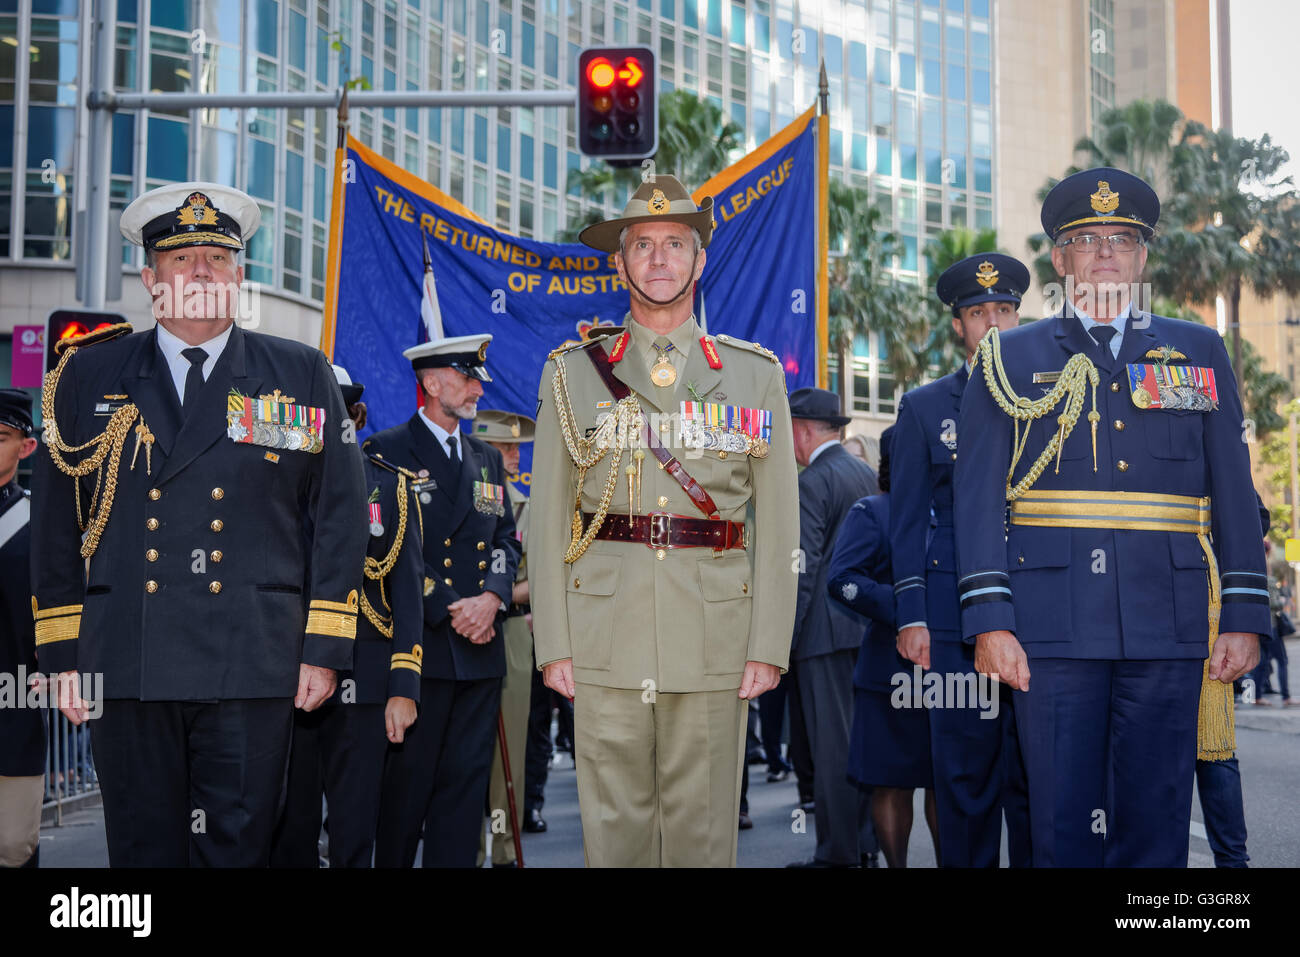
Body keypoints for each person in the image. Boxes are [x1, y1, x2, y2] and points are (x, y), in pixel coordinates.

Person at [30, 182, 368, 866]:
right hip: (129, 658)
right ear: (151, 278)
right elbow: (55, 526)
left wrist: (323, 647)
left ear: (240, 275)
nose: (202, 270)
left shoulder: (297, 373)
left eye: (218, 255)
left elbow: (338, 516)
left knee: (237, 848)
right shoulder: (89, 376)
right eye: (182, 258)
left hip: (252, 660)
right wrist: (62, 657)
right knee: (141, 849)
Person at [954, 167, 1267, 867]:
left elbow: (1233, 489)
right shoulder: (1008, 357)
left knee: (1157, 823)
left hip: (1169, 619)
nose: (1103, 252)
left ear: (1142, 257)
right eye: (1085, 240)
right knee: (1061, 825)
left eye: (1120, 240)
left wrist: (1244, 614)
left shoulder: (1199, 350)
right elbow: (974, 500)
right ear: (1059, 259)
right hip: (1050, 628)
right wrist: (989, 621)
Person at [530, 175, 800, 867]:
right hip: (603, 636)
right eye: (642, 245)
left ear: (699, 260)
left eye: (675, 244)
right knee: (613, 838)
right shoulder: (570, 373)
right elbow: (548, 513)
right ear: (618, 262)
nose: (658, 259)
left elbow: (776, 526)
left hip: (714, 637)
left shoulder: (753, 375)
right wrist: (553, 642)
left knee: (703, 839)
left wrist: (768, 643)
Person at [892, 253, 1031, 868]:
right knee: (965, 781)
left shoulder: (1053, 394)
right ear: (959, 326)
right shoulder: (924, 408)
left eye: (1004, 310)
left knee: (1037, 777)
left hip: (1041, 609)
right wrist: (911, 615)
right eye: (979, 313)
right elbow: (905, 524)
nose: (994, 323)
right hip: (953, 624)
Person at [368, 334, 520, 868]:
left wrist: (494, 598)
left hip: (480, 651)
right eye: (467, 378)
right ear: (431, 384)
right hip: (423, 648)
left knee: (463, 796)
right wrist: (454, 605)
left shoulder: (485, 459)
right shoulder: (386, 451)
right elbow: (387, 546)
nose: (478, 388)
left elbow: (506, 539)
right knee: (406, 795)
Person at [270, 367, 425, 868]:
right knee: (287, 828)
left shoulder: (389, 486)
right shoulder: (266, 485)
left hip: (366, 677)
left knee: (355, 828)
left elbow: (406, 597)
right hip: (283, 678)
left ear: (353, 418)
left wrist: (403, 689)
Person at [827, 425, 940, 868]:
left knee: (944, 782)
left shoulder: (957, 512)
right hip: (889, 671)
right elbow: (842, 580)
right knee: (891, 784)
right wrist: (908, 610)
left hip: (951, 672)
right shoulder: (872, 511)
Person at [785, 387, 880, 868]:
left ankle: (836, 854)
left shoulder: (811, 482)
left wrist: (787, 637)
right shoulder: (865, 472)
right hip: (865, 627)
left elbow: (803, 566)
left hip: (823, 632)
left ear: (802, 431)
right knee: (860, 743)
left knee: (831, 747)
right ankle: (863, 844)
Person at [471, 408, 536, 867]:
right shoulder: (462, 496)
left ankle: (506, 850)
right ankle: (468, 848)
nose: (514, 455)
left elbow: (543, 575)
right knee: (463, 750)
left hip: (510, 630)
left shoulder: (525, 504)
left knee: (509, 746)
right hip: (455, 630)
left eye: (515, 448)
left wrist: (494, 598)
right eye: (505, 447)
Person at [0, 390, 43, 868]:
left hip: (12, 710)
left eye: (0, 437)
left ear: (25, 448)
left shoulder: (36, 524)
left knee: (12, 848)